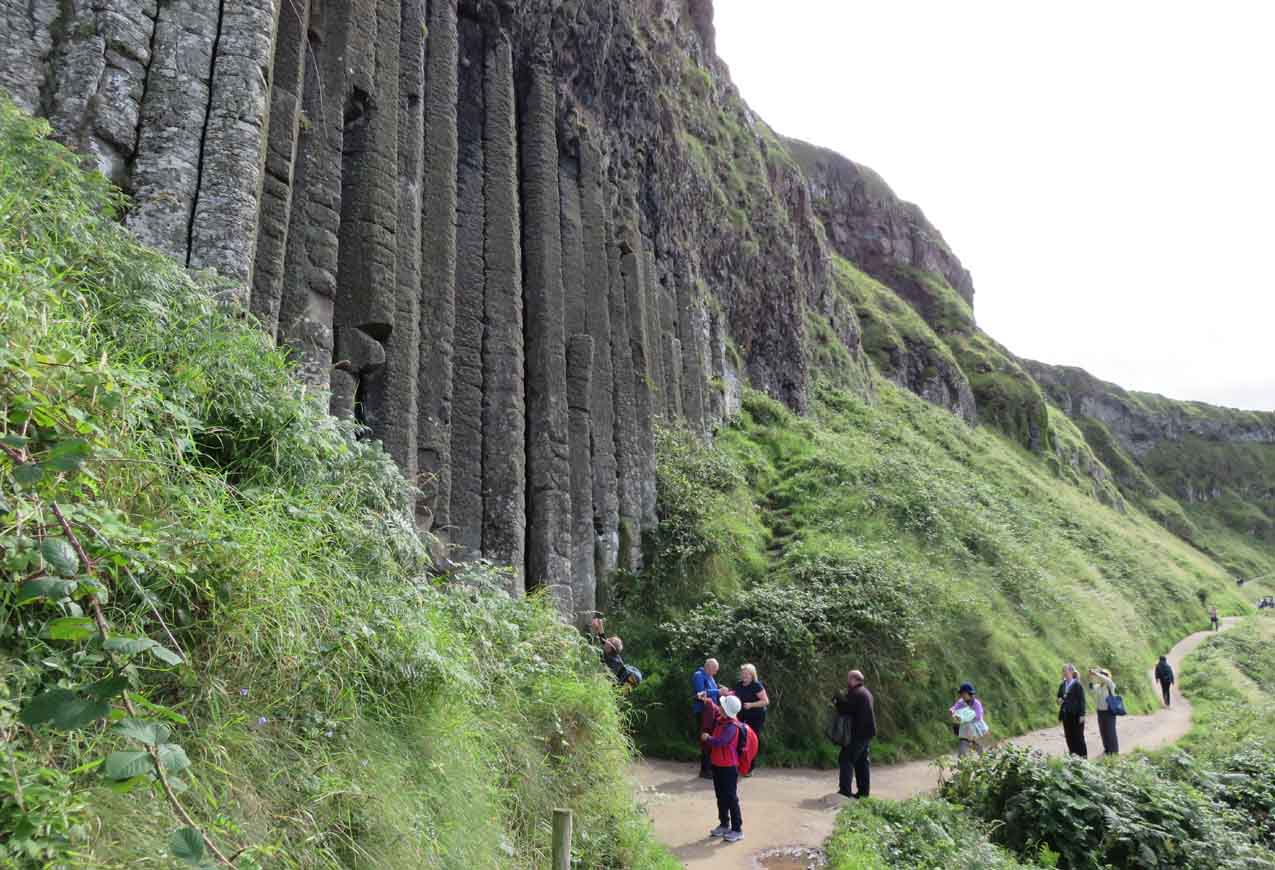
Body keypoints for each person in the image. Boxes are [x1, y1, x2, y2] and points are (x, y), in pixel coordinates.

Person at [700, 695, 744, 843]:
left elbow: (720, 742)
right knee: (720, 796)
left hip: (729, 767)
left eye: (722, 705)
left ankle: (737, 829)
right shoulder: (721, 720)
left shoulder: (732, 726)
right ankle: (724, 824)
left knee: (731, 797)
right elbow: (714, 710)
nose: (719, 706)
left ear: (726, 710)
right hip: (717, 764)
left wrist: (707, 738)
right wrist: (708, 701)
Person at [832, 669, 876, 798]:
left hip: (858, 734)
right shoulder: (866, 692)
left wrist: (836, 701)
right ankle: (863, 793)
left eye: (848, 679)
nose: (847, 681)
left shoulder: (856, 693)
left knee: (846, 759)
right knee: (862, 762)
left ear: (853, 680)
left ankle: (844, 792)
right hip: (867, 732)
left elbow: (845, 709)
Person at [733, 664, 769, 773]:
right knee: (739, 740)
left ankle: (750, 768)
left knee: (751, 741)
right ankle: (739, 764)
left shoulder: (756, 685)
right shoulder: (738, 685)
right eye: (742, 673)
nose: (744, 675)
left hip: (755, 717)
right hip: (741, 716)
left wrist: (751, 705)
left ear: (752, 675)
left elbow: (765, 701)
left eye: (746, 673)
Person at [692, 659, 722, 778]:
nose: (715, 673)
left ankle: (709, 768)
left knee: (710, 738)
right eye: (714, 670)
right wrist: (718, 691)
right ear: (708, 667)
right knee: (706, 739)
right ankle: (705, 770)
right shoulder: (698, 675)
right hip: (702, 712)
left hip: (712, 712)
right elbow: (701, 694)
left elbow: (712, 693)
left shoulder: (710, 677)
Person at [1056, 663, 1087, 757]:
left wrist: (1082, 715)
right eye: (1063, 670)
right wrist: (1059, 700)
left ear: (1071, 672)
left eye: (1065, 670)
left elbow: (1082, 700)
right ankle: (1073, 756)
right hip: (1066, 715)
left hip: (1076, 715)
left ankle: (1083, 757)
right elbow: (1058, 698)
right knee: (1069, 736)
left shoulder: (1077, 684)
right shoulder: (1062, 685)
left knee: (1078, 737)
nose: (1063, 672)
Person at [949, 682, 987, 757]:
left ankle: (985, 763)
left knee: (979, 749)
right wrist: (952, 710)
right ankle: (962, 766)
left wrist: (967, 716)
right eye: (961, 694)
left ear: (970, 694)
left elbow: (978, 716)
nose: (962, 696)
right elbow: (955, 708)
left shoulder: (976, 703)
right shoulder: (961, 702)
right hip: (965, 729)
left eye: (964, 694)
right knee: (962, 748)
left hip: (976, 729)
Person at [1088, 667, 1119, 755]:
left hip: (1109, 711)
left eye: (1105, 674)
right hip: (1100, 712)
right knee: (1103, 732)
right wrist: (1091, 678)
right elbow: (1091, 689)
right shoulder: (1098, 686)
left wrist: (1097, 673)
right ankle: (1107, 749)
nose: (1102, 676)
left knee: (1110, 731)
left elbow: (1107, 680)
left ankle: (1114, 751)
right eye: (1102, 674)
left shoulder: (1110, 685)